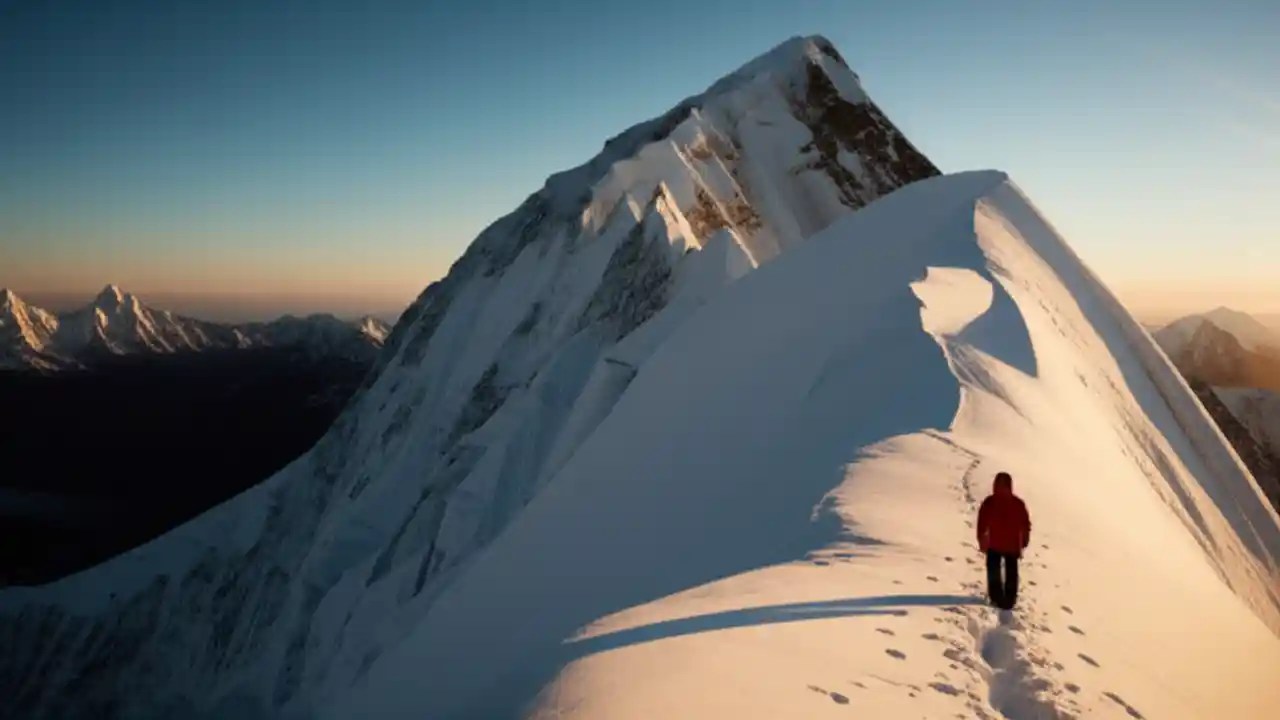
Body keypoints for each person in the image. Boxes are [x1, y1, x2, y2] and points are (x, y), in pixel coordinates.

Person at [976, 472, 1031, 610]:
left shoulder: (989, 502)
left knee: (993, 570)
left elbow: (981, 524)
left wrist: (981, 540)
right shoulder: (1018, 503)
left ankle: (996, 597)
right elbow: (1025, 524)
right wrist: (1024, 540)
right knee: (1011, 572)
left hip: (994, 544)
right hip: (1012, 545)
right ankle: (1009, 600)